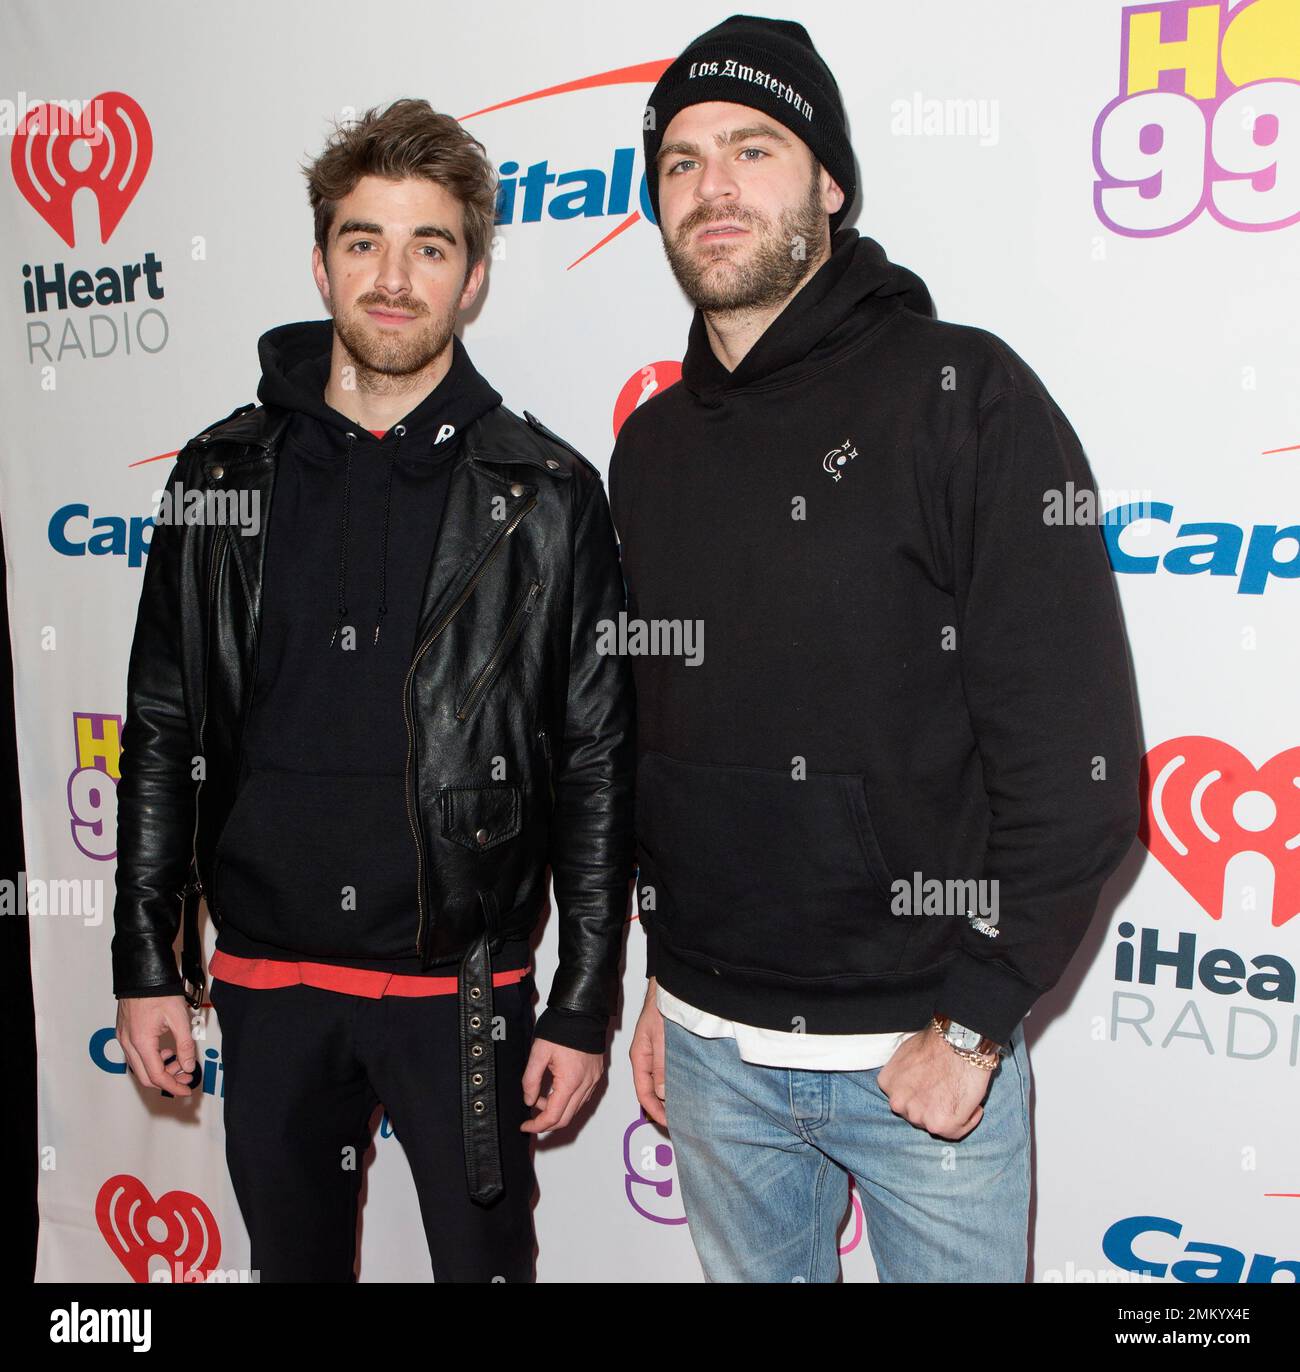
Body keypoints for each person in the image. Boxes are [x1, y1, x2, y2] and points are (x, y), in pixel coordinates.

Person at [617, 15, 1141, 1282]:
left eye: (754, 148)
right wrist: (659, 978)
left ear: (830, 183)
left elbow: (1080, 772)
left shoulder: (963, 398)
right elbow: (660, 742)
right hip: (708, 1048)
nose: (714, 186)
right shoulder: (652, 446)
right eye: (682, 161)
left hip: (920, 1053)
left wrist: (971, 1025)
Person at [112, 99, 634, 1282]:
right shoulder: (219, 472)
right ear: (320, 260)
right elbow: (163, 726)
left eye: (429, 246)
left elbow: (595, 755)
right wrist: (147, 958)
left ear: (474, 276)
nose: (392, 279)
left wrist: (583, 998)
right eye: (364, 242)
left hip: (463, 988)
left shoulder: (545, 494)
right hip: (267, 981)